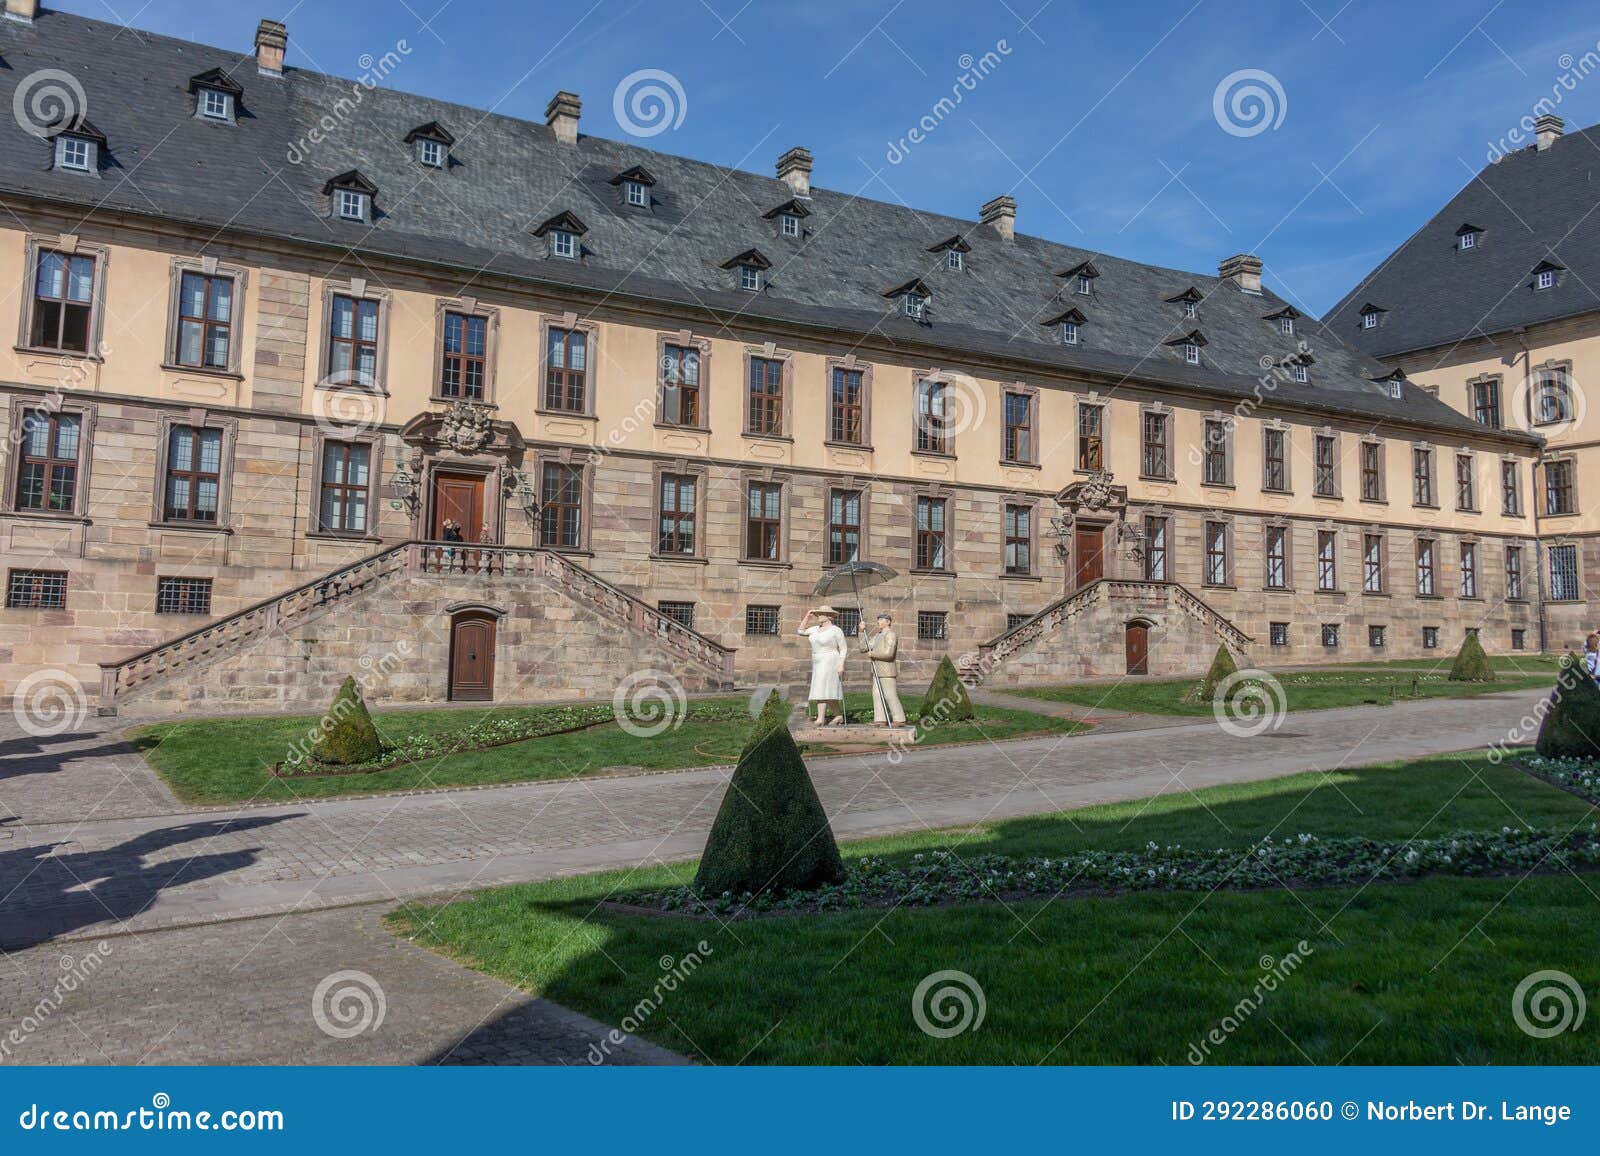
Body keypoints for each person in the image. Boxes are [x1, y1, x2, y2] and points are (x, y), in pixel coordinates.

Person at [798, 606, 848, 726]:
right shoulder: (814, 629)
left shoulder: (836, 630)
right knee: (825, 689)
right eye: (818, 614)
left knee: (822, 688)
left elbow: (843, 649)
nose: (818, 616)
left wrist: (841, 665)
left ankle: (820, 718)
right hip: (817, 660)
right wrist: (807, 616)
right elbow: (800, 631)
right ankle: (838, 716)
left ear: (829, 616)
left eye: (821, 614)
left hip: (830, 660)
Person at [861, 611, 907, 726]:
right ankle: (880, 719)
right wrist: (861, 632)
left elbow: (889, 654)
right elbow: (863, 648)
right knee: (876, 695)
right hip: (877, 670)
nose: (879, 622)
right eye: (878, 620)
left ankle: (899, 719)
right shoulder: (878, 635)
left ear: (888, 622)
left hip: (887, 670)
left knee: (889, 694)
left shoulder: (891, 635)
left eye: (881, 620)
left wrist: (873, 654)